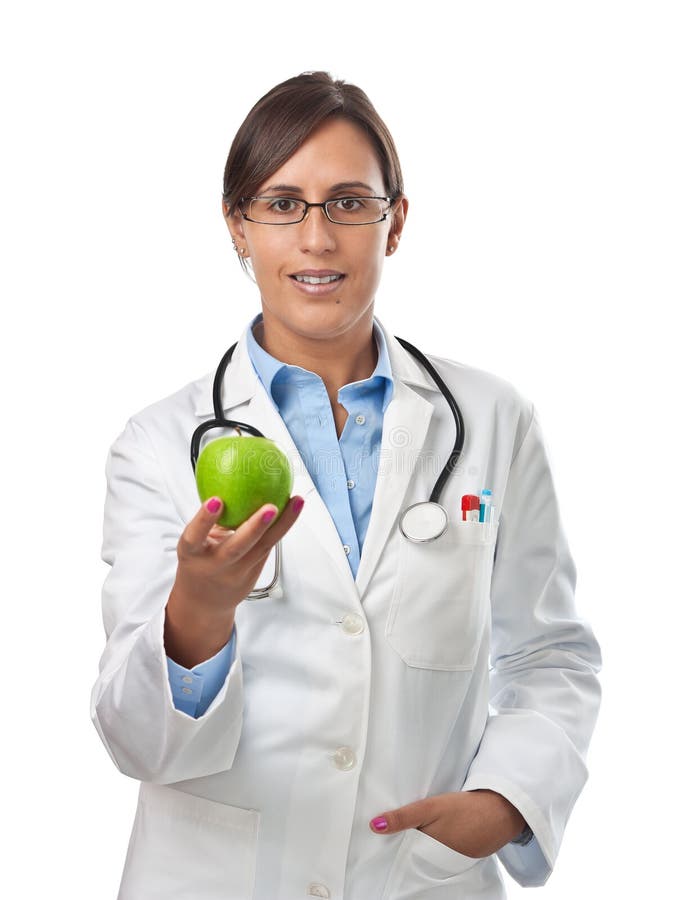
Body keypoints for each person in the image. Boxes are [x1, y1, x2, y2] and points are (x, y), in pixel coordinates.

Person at [91, 71, 601, 900]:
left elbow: (548, 651)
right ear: (238, 227)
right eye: (282, 203)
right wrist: (199, 613)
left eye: (349, 203)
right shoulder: (158, 445)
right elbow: (136, 743)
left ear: (393, 223)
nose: (317, 238)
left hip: (420, 877)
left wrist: (506, 801)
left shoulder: (492, 418)